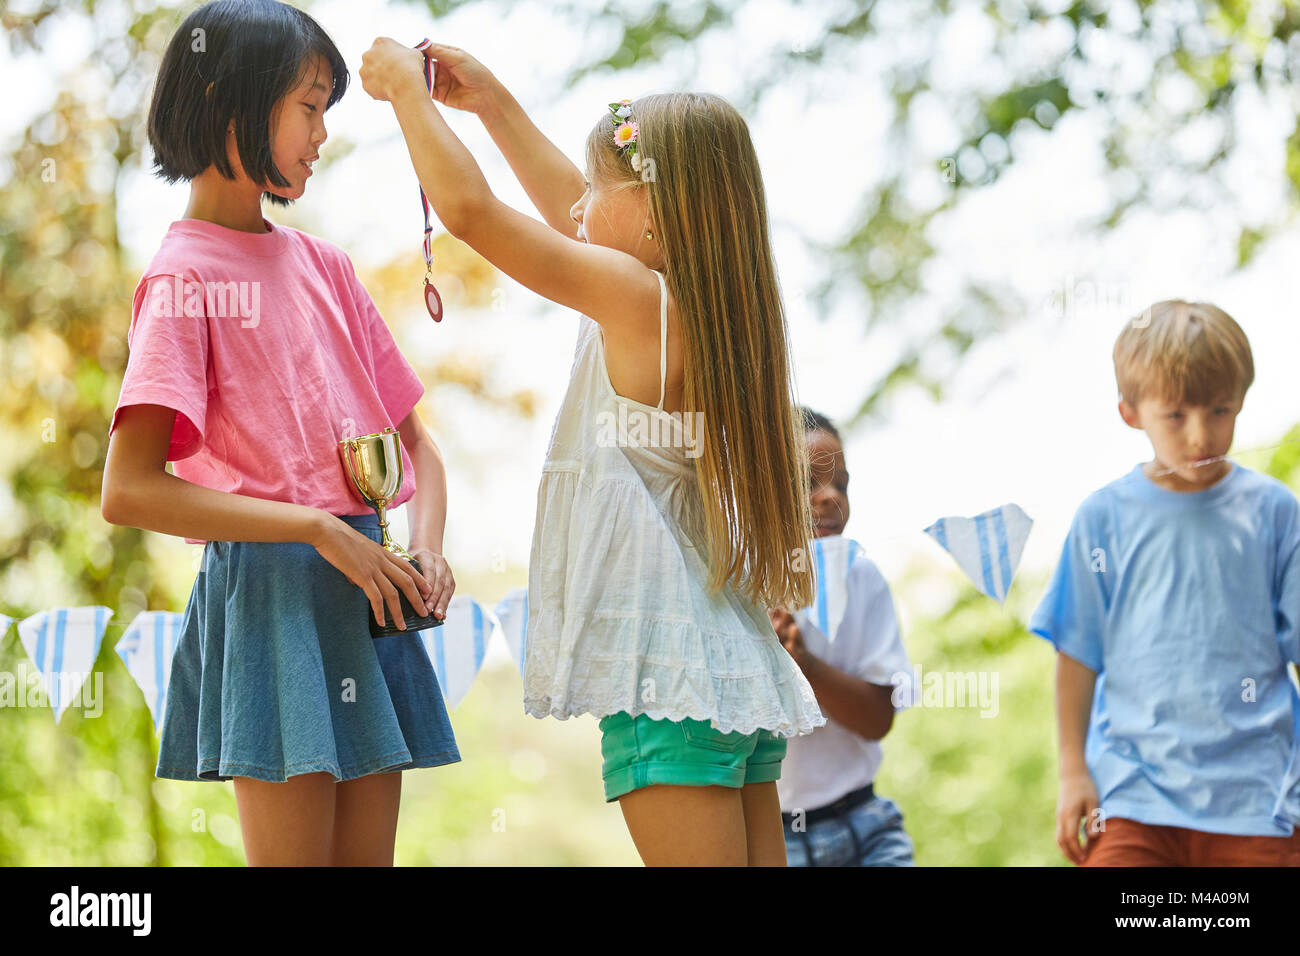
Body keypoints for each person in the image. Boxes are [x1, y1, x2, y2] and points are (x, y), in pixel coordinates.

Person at [359, 40, 824, 865]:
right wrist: (494, 103)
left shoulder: (636, 298)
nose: (578, 210)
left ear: (651, 213)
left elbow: (470, 213)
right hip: (725, 671)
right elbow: (569, 206)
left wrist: (405, 94)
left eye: (599, 190)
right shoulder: (703, 309)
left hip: (668, 684)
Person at [100, 0, 459, 867]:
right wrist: (313, 527)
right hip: (274, 604)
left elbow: (420, 448)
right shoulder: (182, 278)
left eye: (328, 107)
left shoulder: (328, 268)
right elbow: (129, 489)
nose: (323, 131)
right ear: (231, 103)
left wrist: (429, 546)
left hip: (370, 592)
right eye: (309, 104)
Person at [1031, 300, 1300, 866]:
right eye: (1176, 415)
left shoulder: (1275, 512)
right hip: (1133, 795)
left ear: (1242, 402)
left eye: (1220, 410)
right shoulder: (1103, 517)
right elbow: (1077, 654)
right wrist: (1073, 770)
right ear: (1132, 413)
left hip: (1260, 796)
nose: (1201, 436)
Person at [768, 407, 916, 866]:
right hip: (777, 843)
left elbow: (877, 719)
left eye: (841, 484)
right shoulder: (740, 587)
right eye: (808, 482)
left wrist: (805, 664)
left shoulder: (863, 578)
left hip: (866, 823)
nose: (830, 497)